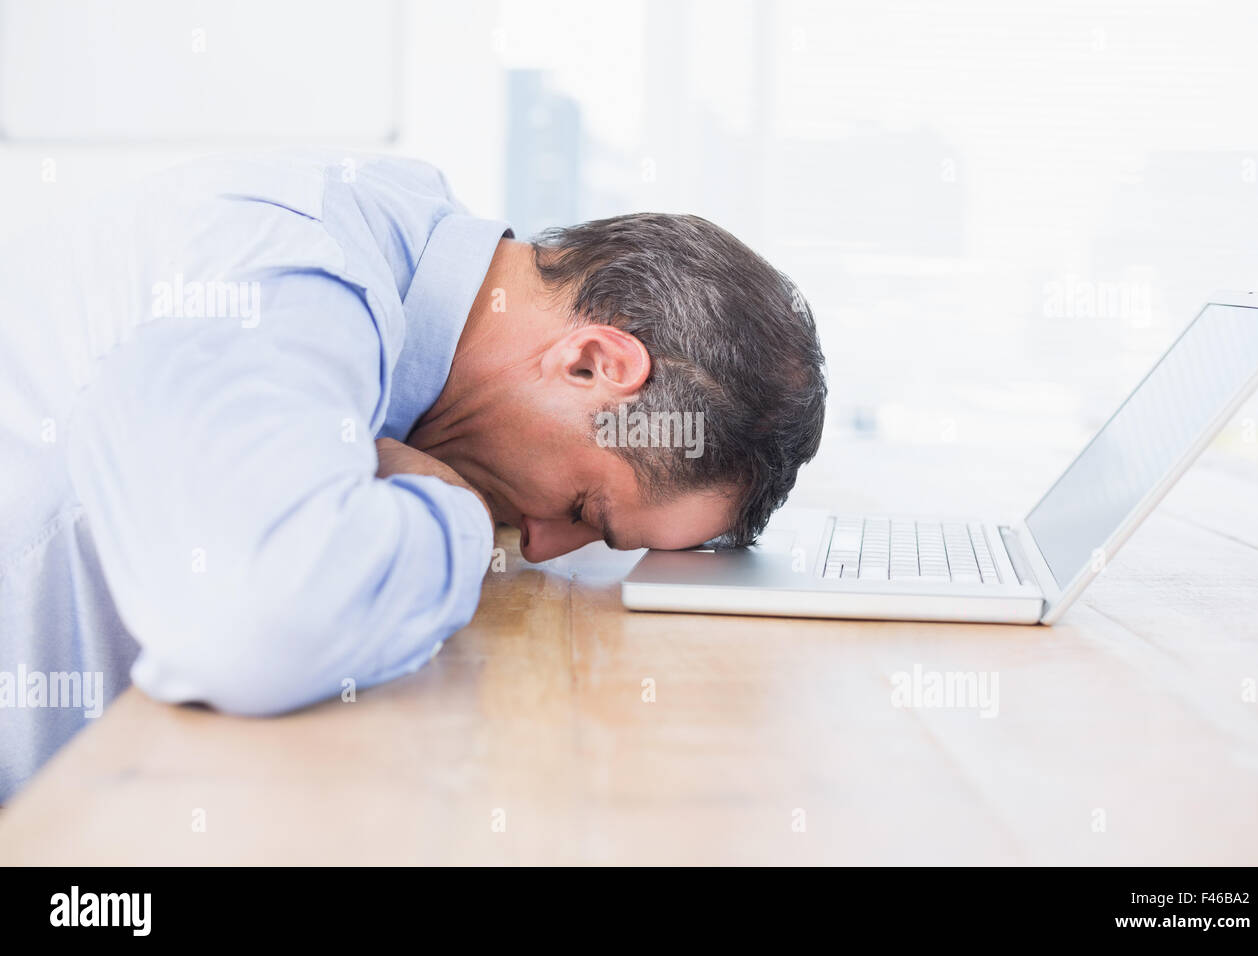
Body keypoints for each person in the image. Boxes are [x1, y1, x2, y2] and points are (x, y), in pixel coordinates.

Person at [0, 149, 826, 801]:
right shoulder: (294, 273)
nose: (541, 547)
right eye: (584, 507)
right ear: (592, 363)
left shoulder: (417, 253)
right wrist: (450, 511)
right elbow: (251, 628)